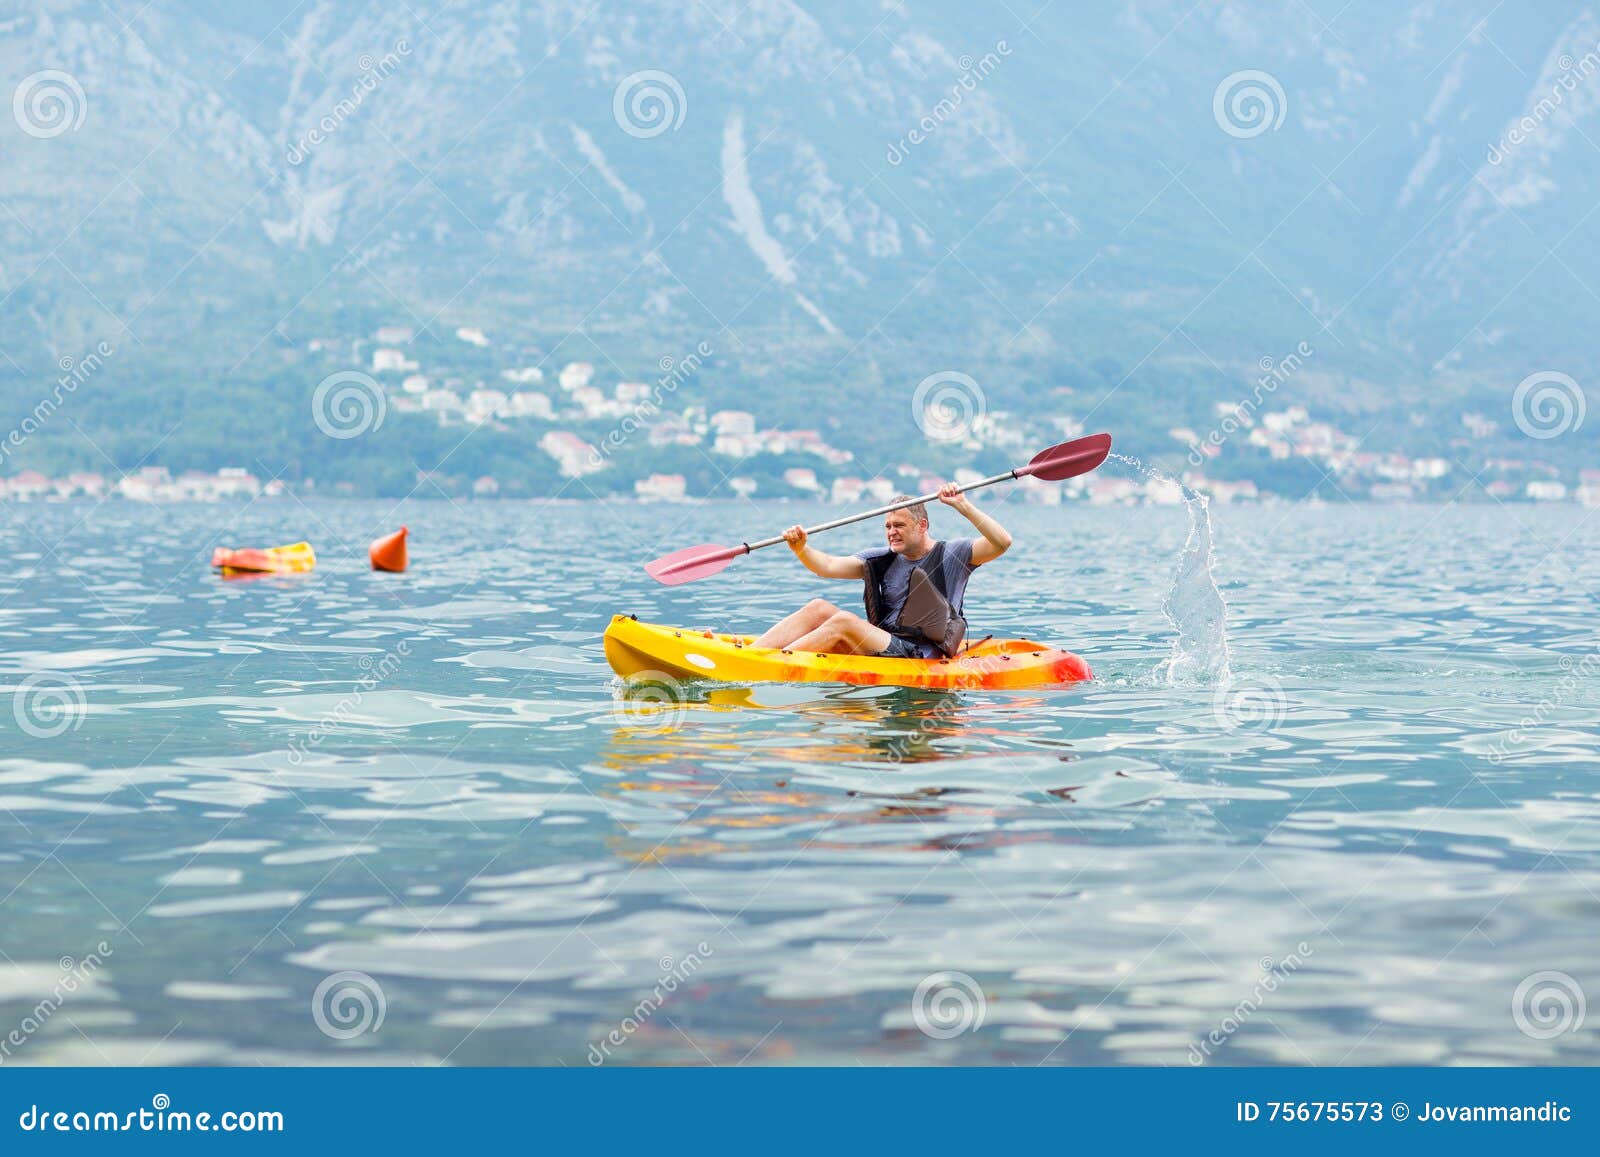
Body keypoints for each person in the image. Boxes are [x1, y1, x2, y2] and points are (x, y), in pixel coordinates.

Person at [753, 483, 1013, 658]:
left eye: (898, 525)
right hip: (886, 642)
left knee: (844, 621)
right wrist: (801, 549)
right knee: (818, 607)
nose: (891, 532)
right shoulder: (882, 558)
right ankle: (752, 654)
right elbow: (828, 567)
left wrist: (962, 505)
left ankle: (773, 665)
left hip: (921, 653)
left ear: (922, 525)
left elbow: (1001, 542)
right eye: (887, 526)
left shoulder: (952, 554)